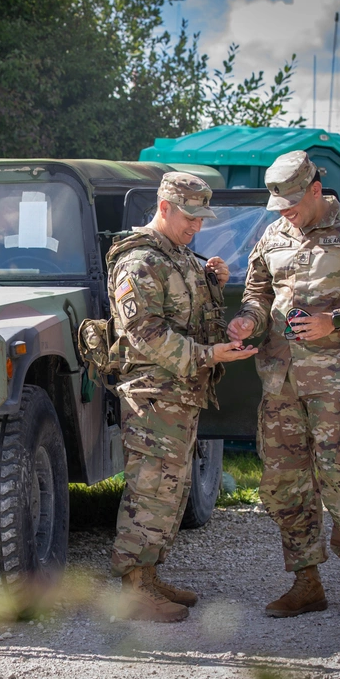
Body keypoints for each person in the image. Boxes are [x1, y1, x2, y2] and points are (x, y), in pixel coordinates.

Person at [227, 150, 340, 620]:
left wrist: (337, 320)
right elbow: (258, 292)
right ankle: (307, 584)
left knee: (339, 478)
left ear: (314, 189)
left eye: (291, 201)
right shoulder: (274, 234)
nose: (284, 210)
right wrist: (247, 319)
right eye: (277, 203)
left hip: (333, 382)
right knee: (284, 484)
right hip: (279, 381)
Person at [106, 171, 257, 622]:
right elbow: (146, 336)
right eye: (189, 216)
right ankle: (133, 589)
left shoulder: (179, 256)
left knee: (171, 491)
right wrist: (210, 353)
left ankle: (149, 577)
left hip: (180, 395)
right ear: (165, 207)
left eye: (201, 218)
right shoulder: (140, 262)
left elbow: (193, 315)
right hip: (153, 395)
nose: (196, 226)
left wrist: (215, 280)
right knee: (149, 489)